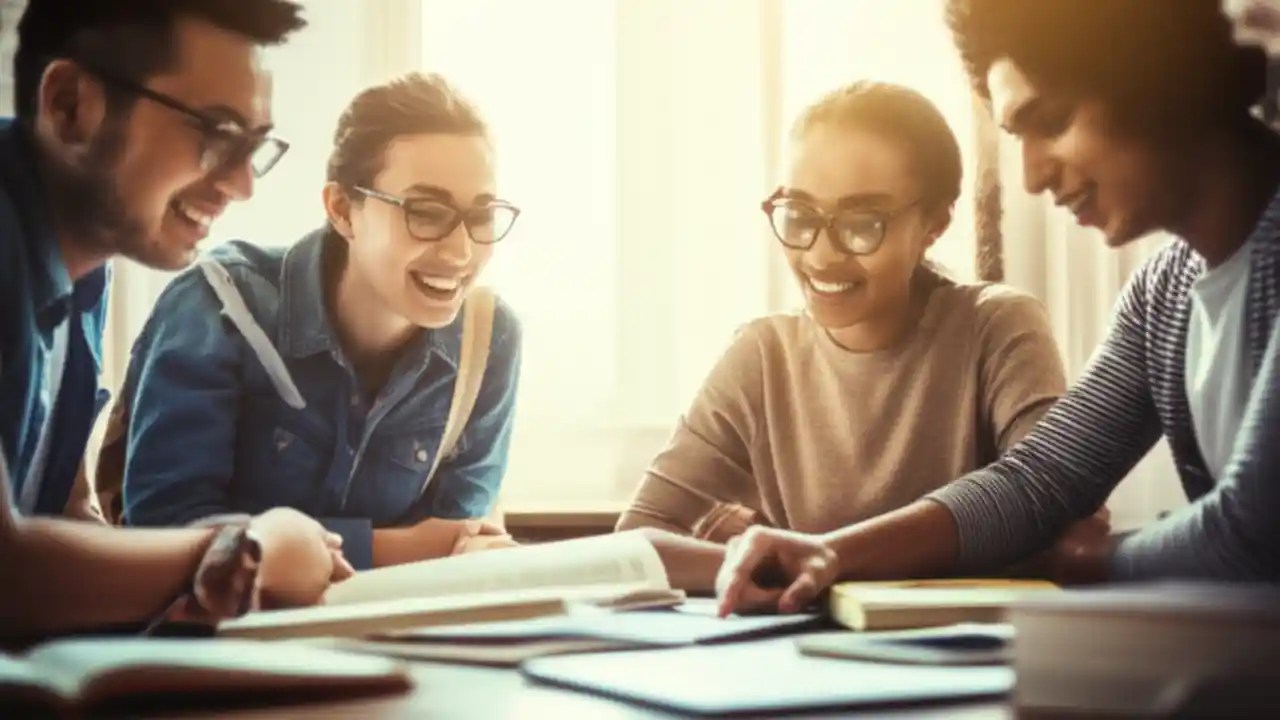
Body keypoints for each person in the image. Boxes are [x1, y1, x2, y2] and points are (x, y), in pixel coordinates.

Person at [712, 0, 1280, 615]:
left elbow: (1254, 531)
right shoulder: (1160, 297)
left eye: (1054, 121)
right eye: (1018, 137)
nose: (1033, 177)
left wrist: (1095, 560)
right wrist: (830, 553)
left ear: (1159, 79)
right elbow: (1038, 482)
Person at [0, 0, 350, 636]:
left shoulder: (81, 261)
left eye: (256, 146)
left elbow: (64, 510)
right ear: (70, 105)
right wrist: (251, 550)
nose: (243, 183)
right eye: (216, 133)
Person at [616, 82, 1064, 551]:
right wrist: (760, 563)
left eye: (862, 223)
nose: (822, 255)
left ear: (934, 223)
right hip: (809, 624)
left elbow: (1056, 507)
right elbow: (636, 541)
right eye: (799, 213)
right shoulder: (762, 355)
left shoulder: (998, 327)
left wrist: (819, 559)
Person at [120, 72, 523, 571]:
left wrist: (426, 549)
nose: (461, 251)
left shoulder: (489, 340)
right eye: (426, 210)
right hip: (223, 636)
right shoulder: (222, 305)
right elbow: (163, 532)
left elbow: (457, 550)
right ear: (342, 209)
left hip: (390, 636)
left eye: (481, 215)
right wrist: (392, 547)